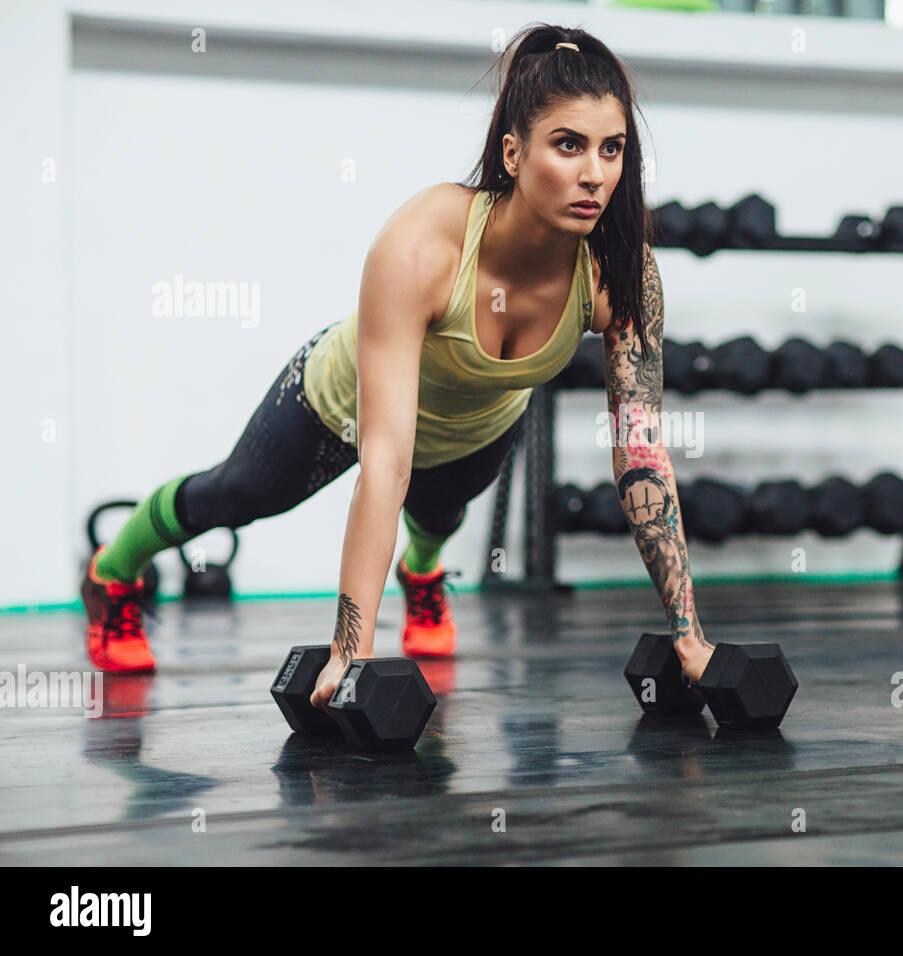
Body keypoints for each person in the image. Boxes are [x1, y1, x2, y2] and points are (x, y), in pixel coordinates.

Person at [79, 23, 715, 707]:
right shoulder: (422, 246)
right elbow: (385, 458)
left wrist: (689, 634)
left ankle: (424, 572)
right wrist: (350, 655)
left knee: (439, 518)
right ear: (513, 152)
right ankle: (112, 571)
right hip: (343, 407)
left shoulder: (621, 272)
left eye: (612, 149)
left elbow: (641, 453)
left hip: (477, 425)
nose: (595, 173)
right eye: (568, 144)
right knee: (238, 495)